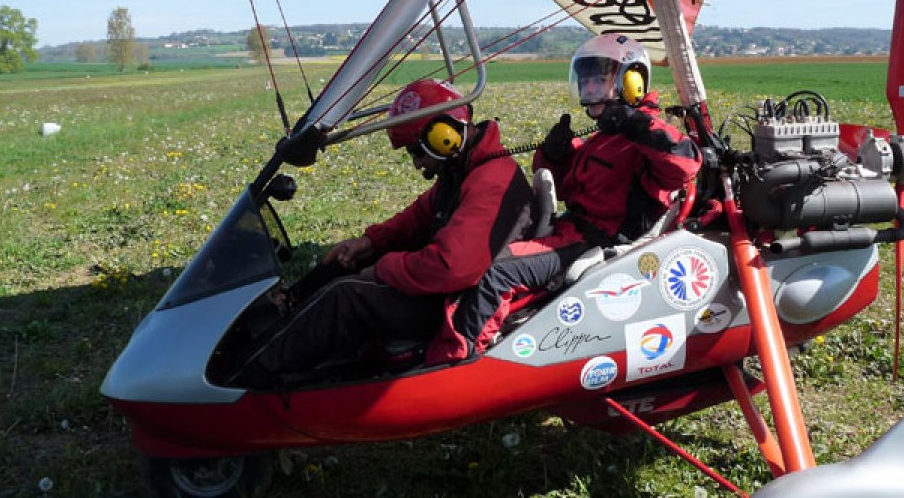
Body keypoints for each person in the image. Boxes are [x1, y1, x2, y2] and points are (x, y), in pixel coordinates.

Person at [232, 79, 533, 386]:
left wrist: (384, 267)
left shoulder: (492, 180)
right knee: (344, 263)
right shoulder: (463, 170)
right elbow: (417, 217)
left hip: (453, 304)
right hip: (443, 288)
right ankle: (279, 317)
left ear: (444, 137)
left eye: (416, 151)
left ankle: (242, 380)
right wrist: (369, 242)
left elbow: (451, 267)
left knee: (347, 295)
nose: (416, 164)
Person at [473, 34, 701, 311]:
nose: (589, 88)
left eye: (598, 80)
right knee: (476, 251)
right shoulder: (606, 137)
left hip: (592, 243)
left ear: (632, 83)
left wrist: (638, 125)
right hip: (567, 230)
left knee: (492, 274)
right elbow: (568, 185)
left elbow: (683, 166)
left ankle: (457, 353)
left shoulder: (646, 136)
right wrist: (555, 154)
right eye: (586, 80)